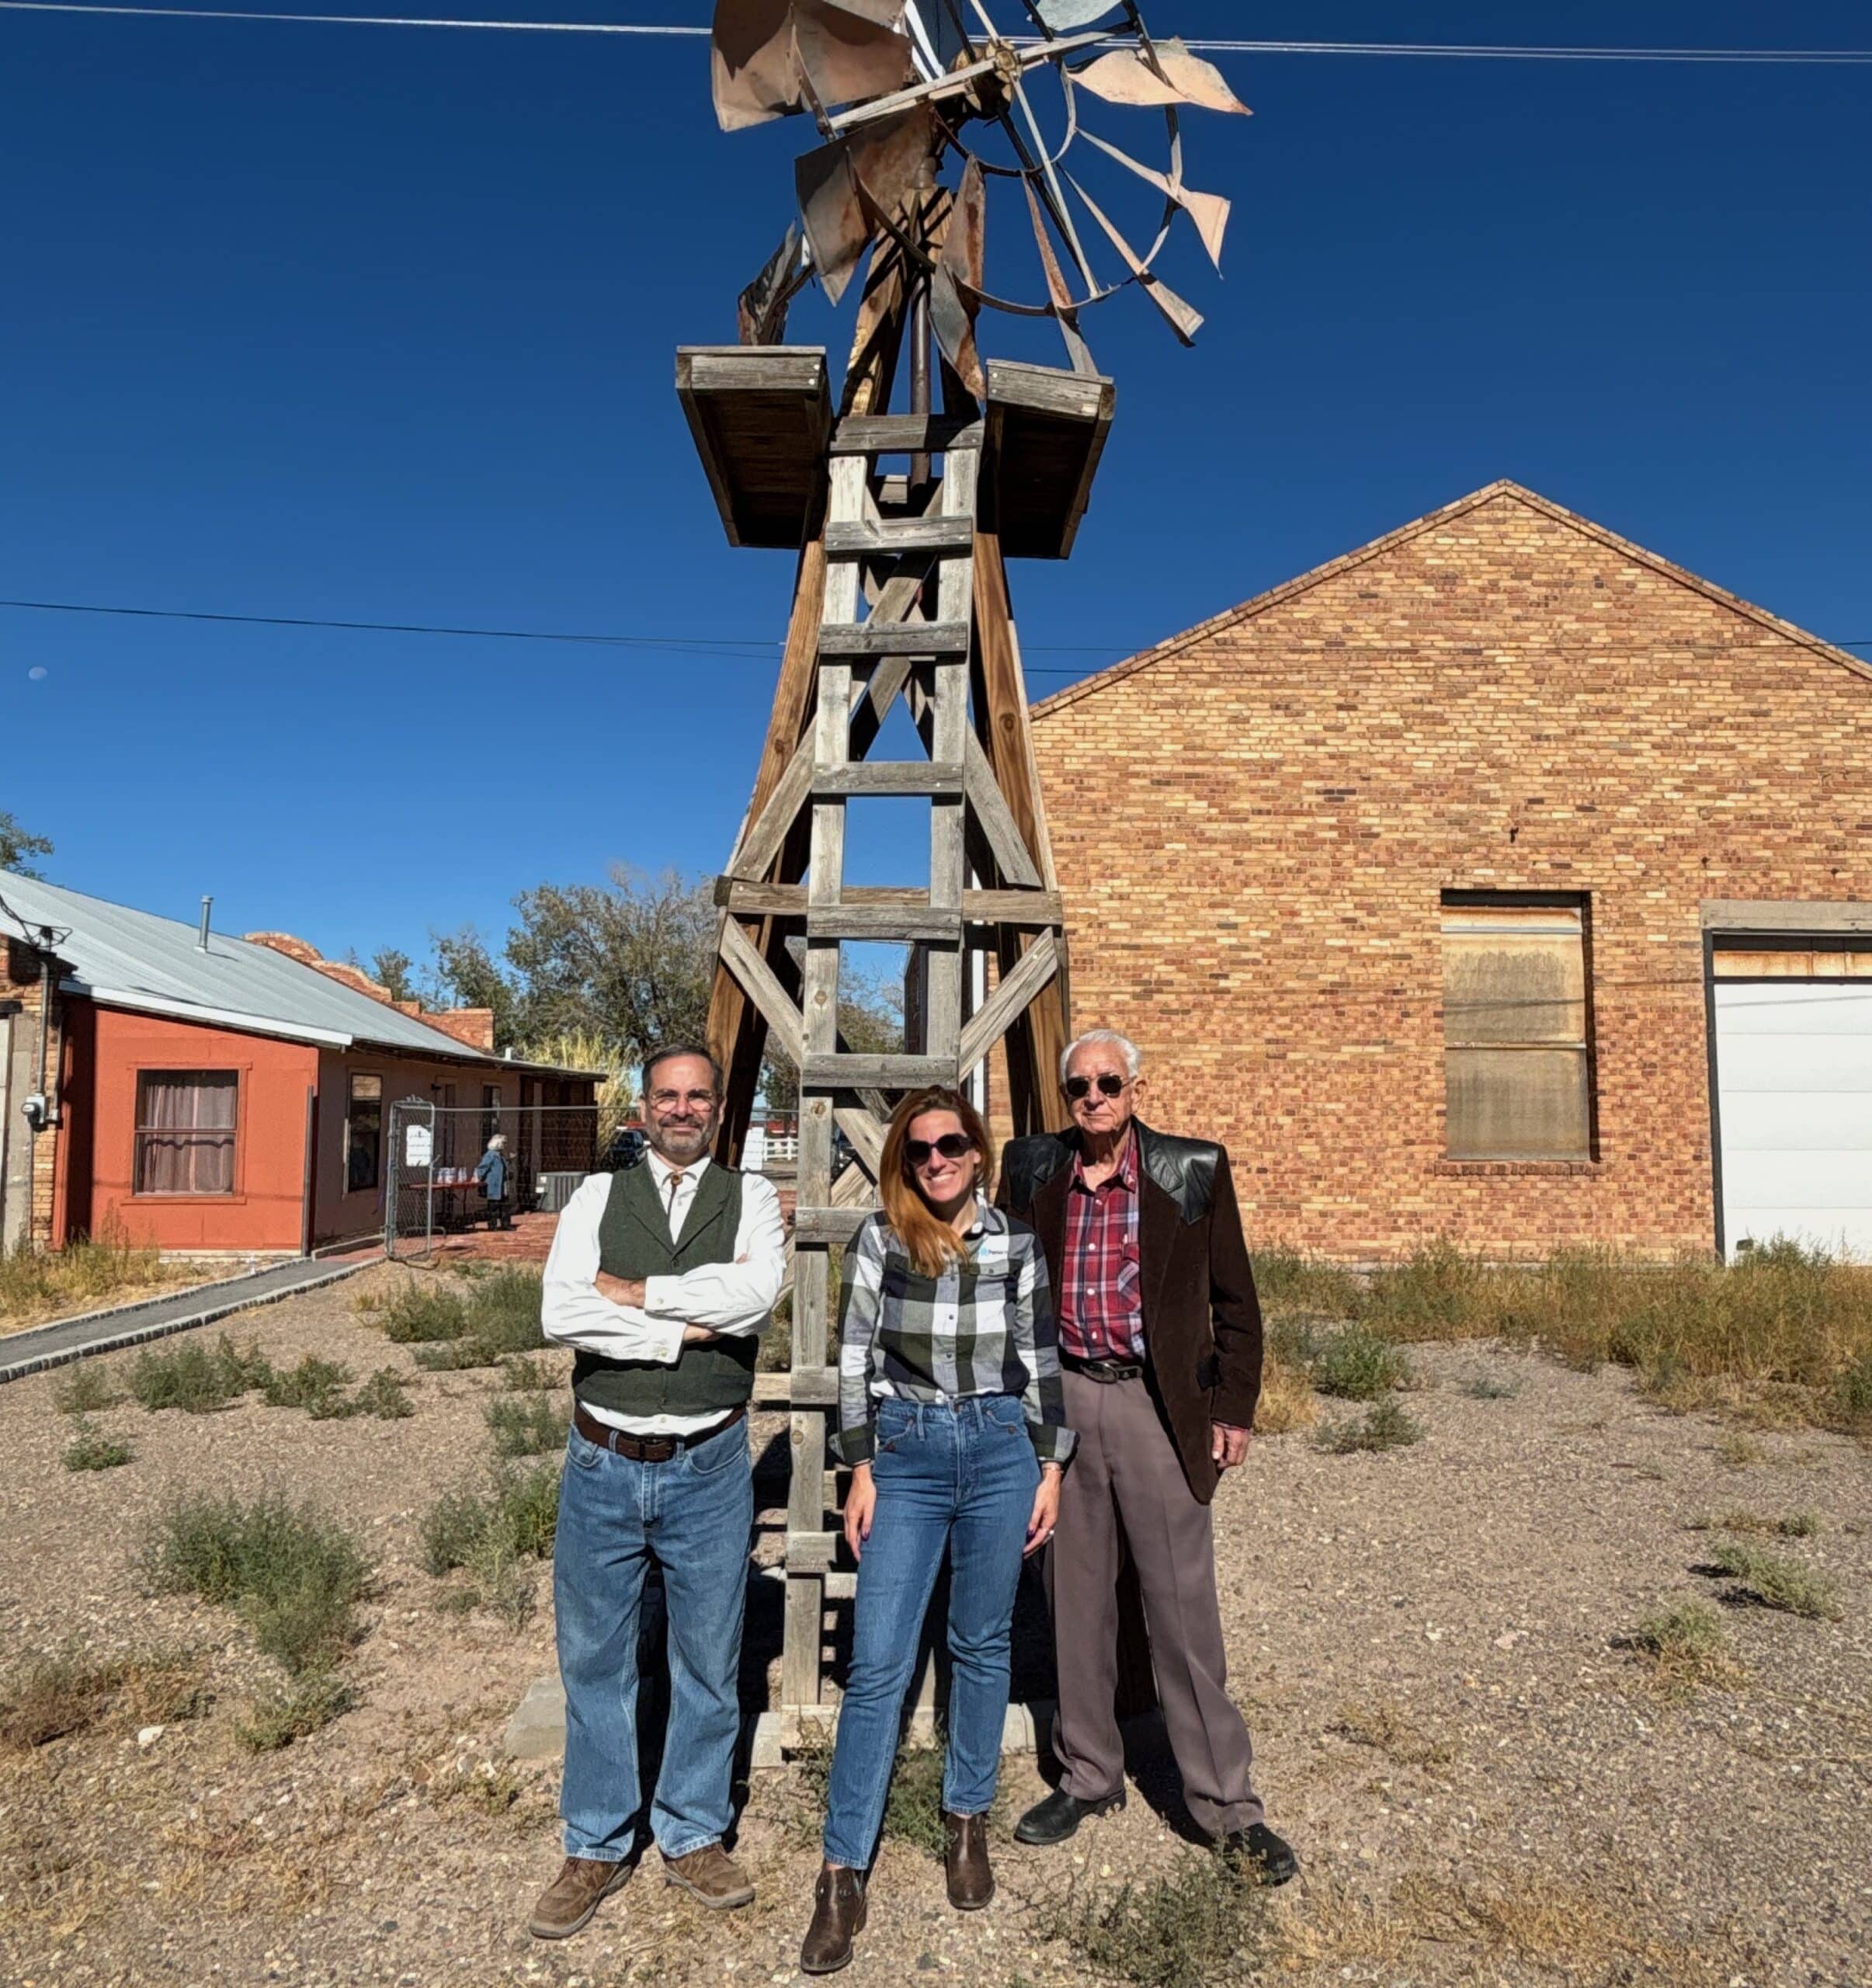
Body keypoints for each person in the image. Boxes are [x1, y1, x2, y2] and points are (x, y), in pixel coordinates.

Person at [998, 1029, 1297, 1885]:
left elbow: (1235, 1299)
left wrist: (1232, 1406)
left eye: (1108, 1082)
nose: (1093, 1098)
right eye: (1079, 1086)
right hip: (1062, 1402)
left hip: (1154, 1404)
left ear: (1135, 1088)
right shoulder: (1032, 1169)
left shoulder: (1190, 1170)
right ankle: (1089, 1774)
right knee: (1073, 1600)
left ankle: (1225, 1804)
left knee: (1180, 1610)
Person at [800, 1088, 1073, 1976]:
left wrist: (1050, 1467)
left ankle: (965, 1818)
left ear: (977, 1151)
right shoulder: (882, 1239)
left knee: (980, 1643)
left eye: (950, 1144)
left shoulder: (1016, 1245)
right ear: (903, 1162)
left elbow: (1038, 1358)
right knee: (877, 1661)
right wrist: (860, 1466)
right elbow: (853, 1356)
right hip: (908, 1454)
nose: (935, 1161)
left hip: (997, 1448)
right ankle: (841, 1870)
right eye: (918, 1150)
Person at [531, 1044, 787, 1941]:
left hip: (708, 1463)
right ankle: (596, 1841)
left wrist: (632, 1295)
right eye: (666, 1096)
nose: (682, 1109)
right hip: (602, 1459)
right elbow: (560, 1311)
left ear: (718, 1108)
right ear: (642, 1107)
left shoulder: (751, 1197)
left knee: (707, 1657)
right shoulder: (596, 1197)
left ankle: (691, 1829)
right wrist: (681, 1329)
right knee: (595, 1657)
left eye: (697, 1096)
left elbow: (753, 1298)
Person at [474, 1131, 512, 1229]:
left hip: (502, 1185)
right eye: (504, 1143)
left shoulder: (501, 1155)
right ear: (498, 1143)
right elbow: (482, 1168)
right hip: (494, 1185)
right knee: (493, 1206)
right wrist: (480, 1179)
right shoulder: (490, 1155)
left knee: (505, 1206)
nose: (505, 1145)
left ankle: (505, 1224)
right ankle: (492, 1225)